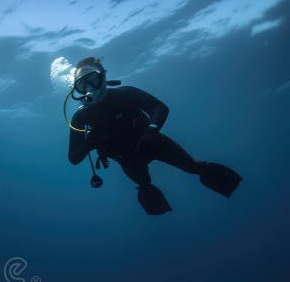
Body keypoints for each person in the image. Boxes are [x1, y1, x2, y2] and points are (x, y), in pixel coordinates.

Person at [66, 57, 242, 215]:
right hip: (128, 160)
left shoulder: (125, 94)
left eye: (93, 79)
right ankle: (159, 209)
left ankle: (227, 182)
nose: (89, 88)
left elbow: (159, 108)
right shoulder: (81, 117)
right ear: (77, 89)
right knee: (144, 185)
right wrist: (90, 142)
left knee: (193, 167)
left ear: (104, 77)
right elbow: (73, 158)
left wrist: (151, 131)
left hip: (154, 143)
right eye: (82, 85)